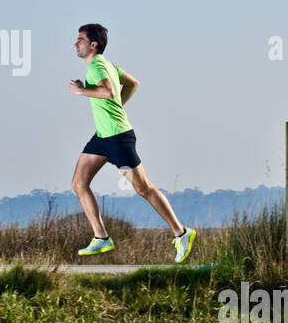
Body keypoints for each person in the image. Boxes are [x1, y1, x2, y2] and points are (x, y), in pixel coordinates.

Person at [68, 23, 196, 262]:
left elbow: (108, 92)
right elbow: (133, 83)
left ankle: (181, 233)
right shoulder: (107, 64)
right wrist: (116, 108)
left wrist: (81, 91)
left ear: (93, 45)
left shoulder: (97, 65)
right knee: (78, 182)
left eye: (80, 39)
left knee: (143, 188)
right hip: (103, 137)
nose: (75, 44)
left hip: (117, 137)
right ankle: (101, 238)